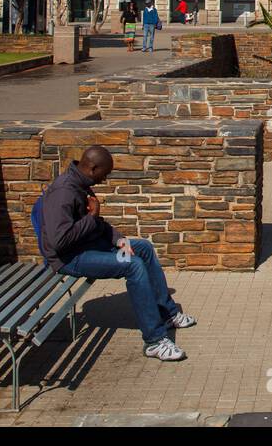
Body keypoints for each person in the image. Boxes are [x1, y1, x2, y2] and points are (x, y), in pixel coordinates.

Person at [39, 146, 194, 361]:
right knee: (133, 265)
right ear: (92, 168)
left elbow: (95, 224)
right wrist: (92, 217)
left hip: (87, 246)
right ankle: (155, 341)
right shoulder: (64, 192)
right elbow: (59, 241)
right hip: (69, 258)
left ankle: (167, 314)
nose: (105, 179)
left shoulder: (81, 183)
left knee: (143, 249)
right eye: (105, 173)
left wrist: (119, 240)